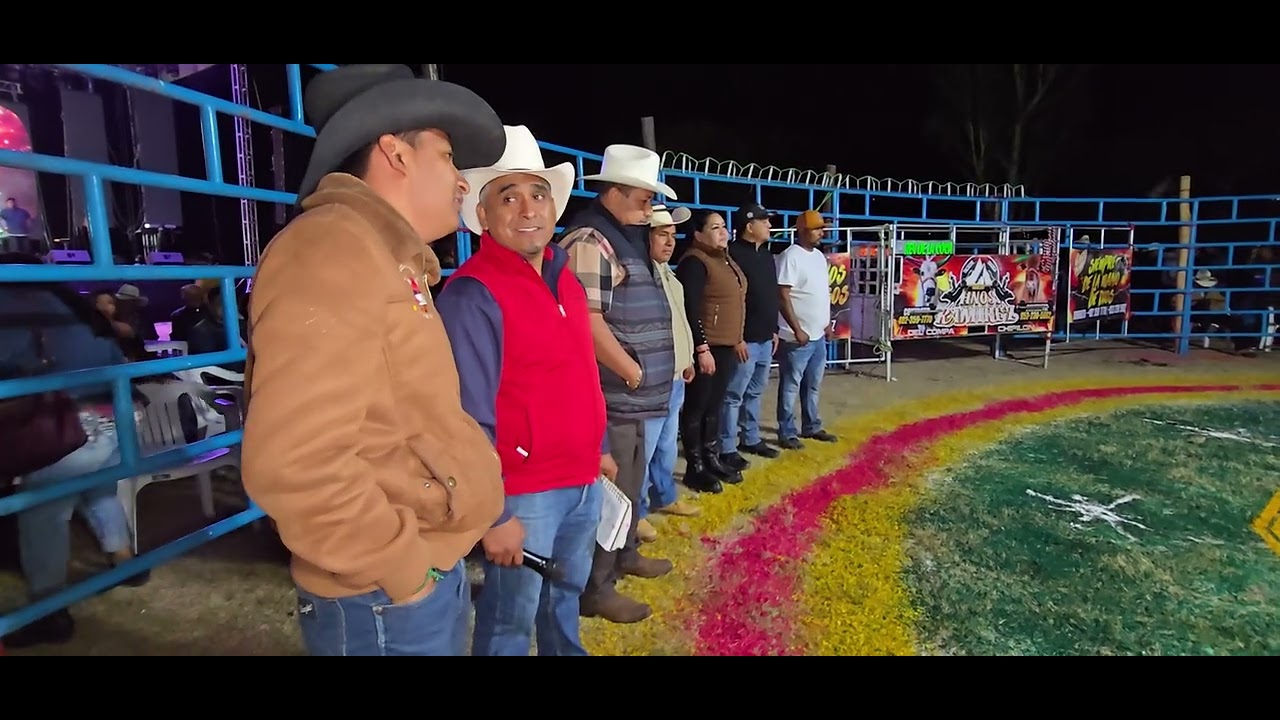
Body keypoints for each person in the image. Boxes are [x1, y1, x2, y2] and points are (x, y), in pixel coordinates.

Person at [239, 64, 509, 657]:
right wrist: (403, 566)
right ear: (396, 153)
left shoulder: (379, 253)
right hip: (384, 594)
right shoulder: (334, 247)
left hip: (406, 577)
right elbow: (296, 459)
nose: (463, 180)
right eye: (446, 155)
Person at [436, 125, 608, 656]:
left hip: (582, 479)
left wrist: (597, 450)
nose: (528, 208)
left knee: (565, 598)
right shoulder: (472, 294)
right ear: (483, 217)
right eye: (508, 197)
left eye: (538, 194)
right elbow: (466, 417)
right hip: (523, 493)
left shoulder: (565, 275)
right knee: (510, 620)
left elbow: (579, 372)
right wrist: (494, 513)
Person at [0, 252, 149, 650]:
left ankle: (48, 611)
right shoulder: (70, 302)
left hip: (75, 421)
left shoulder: (11, 306)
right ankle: (126, 564)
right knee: (98, 490)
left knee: (40, 511)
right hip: (122, 412)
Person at [558, 144, 676, 624]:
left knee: (629, 485)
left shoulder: (620, 235)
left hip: (632, 395)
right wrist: (631, 368)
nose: (649, 207)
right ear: (613, 192)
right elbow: (585, 320)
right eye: (643, 197)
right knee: (611, 492)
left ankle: (622, 557)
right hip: (614, 392)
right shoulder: (591, 239)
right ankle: (595, 586)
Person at [635, 204, 700, 544]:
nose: (670, 242)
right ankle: (637, 513)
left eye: (673, 235)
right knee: (642, 452)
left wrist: (687, 358)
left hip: (675, 376)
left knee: (664, 447)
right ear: (645, 236)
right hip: (653, 380)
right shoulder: (639, 275)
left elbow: (680, 321)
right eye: (662, 234)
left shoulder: (667, 274)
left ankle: (665, 496)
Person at [675, 210, 748, 493]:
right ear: (698, 234)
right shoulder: (695, 261)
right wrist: (701, 348)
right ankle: (696, 467)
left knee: (714, 406)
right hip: (707, 347)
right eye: (715, 227)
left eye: (723, 226)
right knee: (698, 407)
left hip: (726, 345)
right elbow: (690, 308)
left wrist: (738, 338)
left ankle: (712, 458)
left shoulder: (723, 258)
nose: (723, 231)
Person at [721, 203, 782, 464]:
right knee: (733, 395)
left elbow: (770, 295)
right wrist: (736, 338)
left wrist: (775, 329)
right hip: (743, 340)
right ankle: (726, 446)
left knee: (755, 391)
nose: (769, 225)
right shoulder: (731, 256)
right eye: (764, 220)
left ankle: (751, 437)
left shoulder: (767, 255)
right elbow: (730, 302)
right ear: (749, 225)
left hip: (766, 338)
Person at [775, 210, 838, 449]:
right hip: (797, 337)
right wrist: (796, 329)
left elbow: (822, 293)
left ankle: (811, 425)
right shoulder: (790, 256)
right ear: (802, 230)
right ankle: (787, 431)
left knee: (812, 384)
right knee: (790, 386)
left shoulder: (819, 257)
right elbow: (782, 295)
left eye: (822, 228)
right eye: (817, 228)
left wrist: (826, 323)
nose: (822, 232)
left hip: (818, 335)